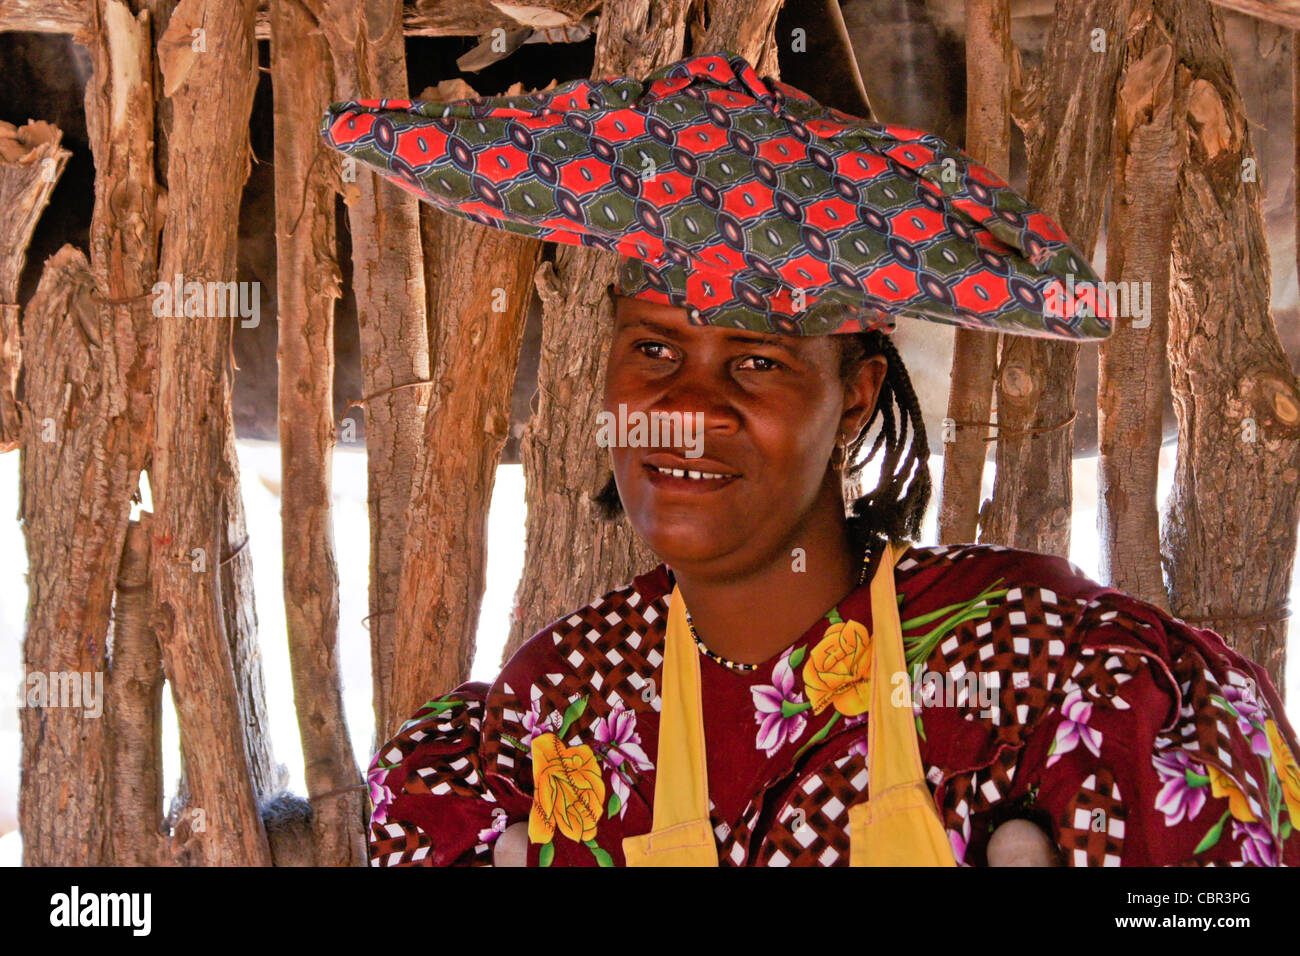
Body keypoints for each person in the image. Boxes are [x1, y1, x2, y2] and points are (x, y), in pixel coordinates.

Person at [323, 50, 1300, 866]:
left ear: (854, 400)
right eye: (654, 349)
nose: (690, 407)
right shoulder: (566, 702)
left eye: (757, 361)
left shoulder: (1036, 668)